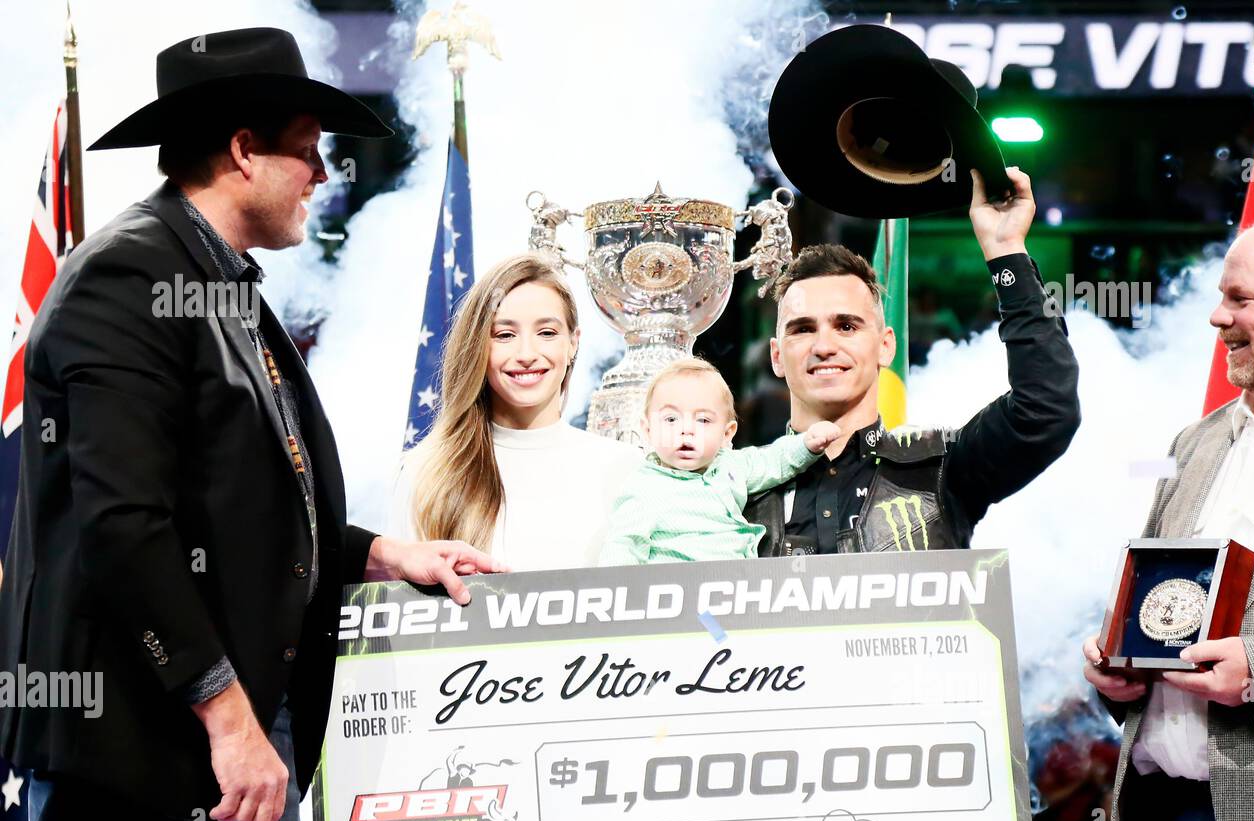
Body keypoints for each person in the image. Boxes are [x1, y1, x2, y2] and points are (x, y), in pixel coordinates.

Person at [0, 28, 502, 821]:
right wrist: (227, 719)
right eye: (308, 151)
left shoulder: (217, 280)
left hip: (227, 742)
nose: (322, 174)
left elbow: (239, 507)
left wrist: (382, 553)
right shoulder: (128, 276)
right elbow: (124, 526)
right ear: (243, 152)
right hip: (142, 750)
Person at [1083, 212, 1254, 821]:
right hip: (1155, 816)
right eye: (1217, 296)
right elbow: (1153, 600)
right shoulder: (1193, 443)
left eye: (1240, 299)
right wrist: (1114, 667)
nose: (1216, 317)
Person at [744, 168, 1081, 556]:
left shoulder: (943, 468)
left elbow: (1047, 408)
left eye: (847, 326)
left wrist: (1006, 250)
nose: (824, 345)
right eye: (803, 329)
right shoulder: (732, 491)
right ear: (776, 356)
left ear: (886, 346)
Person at [394, 252, 641, 571]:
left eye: (547, 333)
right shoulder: (425, 473)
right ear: (478, 346)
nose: (526, 354)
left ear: (573, 343)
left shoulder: (626, 468)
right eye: (505, 335)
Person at [600, 358, 839, 565]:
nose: (686, 430)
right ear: (648, 429)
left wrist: (807, 443)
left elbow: (773, 461)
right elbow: (623, 546)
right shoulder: (645, 487)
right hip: (677, 594)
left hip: (733, 588)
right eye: (671, 419)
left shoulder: (731, 465)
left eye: (702, 420)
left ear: (727, 434)